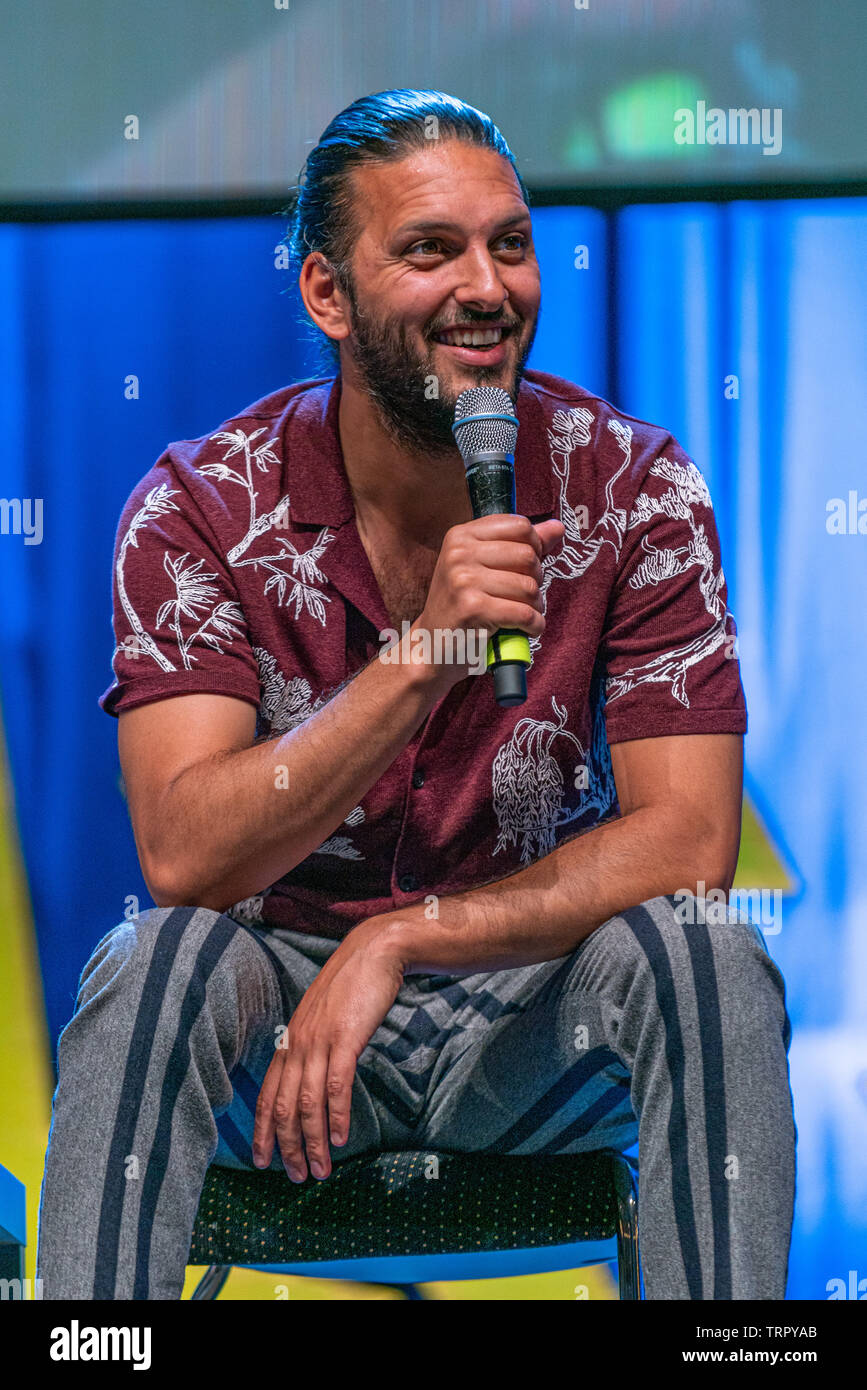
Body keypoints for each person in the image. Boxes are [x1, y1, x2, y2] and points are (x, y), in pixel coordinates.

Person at [36, 89, 796, 1300]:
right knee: (156, 960)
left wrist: (405, 936)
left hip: (529, 1024)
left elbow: (694, 839)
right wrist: (426, 650)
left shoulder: (635, 488)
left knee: (707, 950)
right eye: (432, 251)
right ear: (327, 295)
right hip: (276, 1030)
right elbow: (184, 854)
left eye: (510, 242)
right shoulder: (198, 510)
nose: (488, 287)